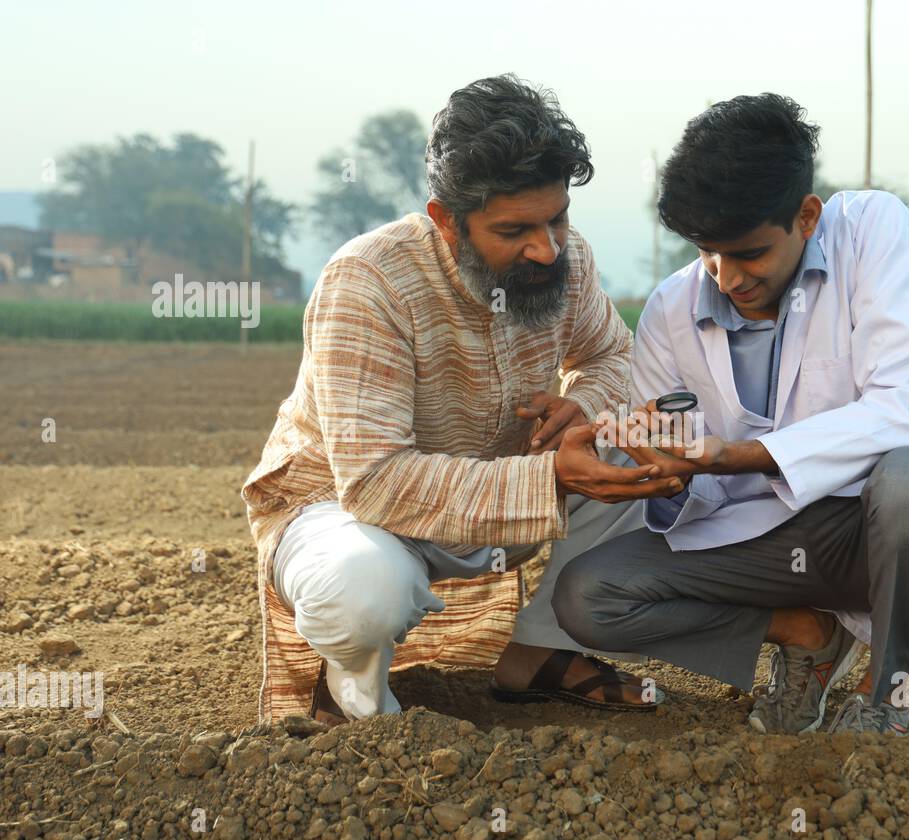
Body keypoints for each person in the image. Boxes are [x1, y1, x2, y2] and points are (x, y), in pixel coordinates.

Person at [552, 93, 909, 735]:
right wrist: (665, 472)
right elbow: (695, 497)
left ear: (808, 216)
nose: (727, 276)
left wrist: (734, 455)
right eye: (709, 252)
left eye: (749, 253)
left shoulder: (873, 230)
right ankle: (809, 636)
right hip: (764, 541)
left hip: (873, 529)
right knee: (588, 596)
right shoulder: (669, 311)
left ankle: (884, 695)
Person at [241, 75, 679, 724]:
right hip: (350, 514)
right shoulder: (369, 281)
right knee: (364, 592)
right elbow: (375, 483)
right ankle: (354, 694)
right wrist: (547, 475)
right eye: (515, 230)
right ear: (445, 221)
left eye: (557, 217)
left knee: (652, 454)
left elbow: (612, 357)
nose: (546, 247)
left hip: (495, 505)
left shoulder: (568, 259)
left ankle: (541, 651)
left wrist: (583, 406)